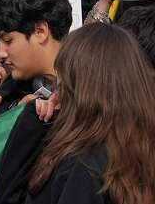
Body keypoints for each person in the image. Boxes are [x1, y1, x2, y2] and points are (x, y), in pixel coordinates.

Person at [26, 24, 155, 204]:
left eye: (62, 76)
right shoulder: (141, 150)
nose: (56, 87)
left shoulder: (81, 167)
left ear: (80, 87)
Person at [0, 0, 72, 204]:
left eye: (7, 40)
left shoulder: (94, 95)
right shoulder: (6, 97)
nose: (1, 54)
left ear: (40, 31)